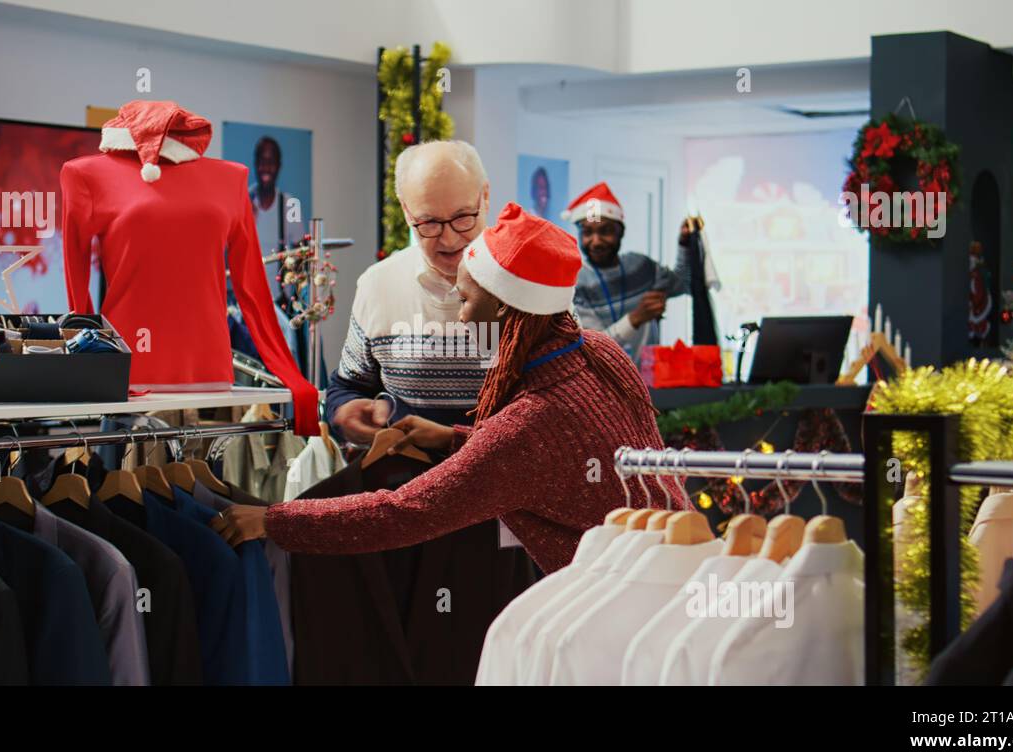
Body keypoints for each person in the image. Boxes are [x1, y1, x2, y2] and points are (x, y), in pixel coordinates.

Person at [231, 203, 678, 573]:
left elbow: (405, 512)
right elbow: (556, 458)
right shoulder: (597, 350)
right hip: (679, 555)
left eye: (466, 300)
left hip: (622, 604)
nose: (462, 317)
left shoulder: (528, 423)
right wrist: (453, 438)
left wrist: (273, 521)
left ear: (504, 306)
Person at [325, 139, 491, 444]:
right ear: (405, 210)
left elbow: (561, 409)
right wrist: (345, 410)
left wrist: (451, 439)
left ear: (485, 197)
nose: (450, 239)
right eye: (428, 223)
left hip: (508, 485)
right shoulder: (378, 284)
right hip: (403, 484)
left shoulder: (530, 286)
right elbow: (348, 385)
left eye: (463, 217)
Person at [563, 181, 697, 359]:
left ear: (621, 232)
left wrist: (685, 244)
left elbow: (685, 283)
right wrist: (636, 317)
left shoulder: (641, 267)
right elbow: (591, 349)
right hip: (603, 384)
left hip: (648, 382)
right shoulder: (576, 283)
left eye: (605, 231)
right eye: (587, 233)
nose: (596, 241)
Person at [249, 135, 305, 306]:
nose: (266, 167)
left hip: (280, 305)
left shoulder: (292, 205)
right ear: (255, 164)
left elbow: (301, 258)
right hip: (248, 304)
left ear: (279, 166)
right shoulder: (242, 201)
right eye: (262, 160)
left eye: (271, 161)